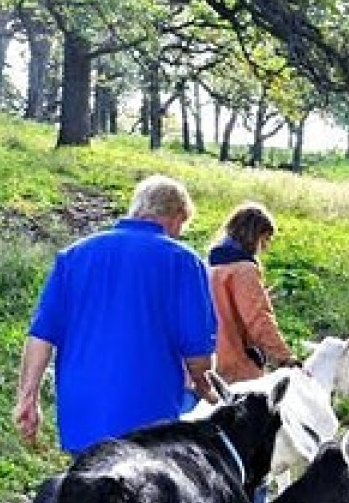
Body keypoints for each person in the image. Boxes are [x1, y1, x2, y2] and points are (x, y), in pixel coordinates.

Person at [12, 175, 218, 453]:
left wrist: (28, 397)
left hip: (82, 410)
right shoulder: (182, 261)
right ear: (175, 217)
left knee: (87, 484)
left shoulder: (74, 256)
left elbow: (41, 335)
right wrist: (209, 392)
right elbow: (197, 353)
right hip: (148, 412)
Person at [207, 202, 297, 383]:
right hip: (236, 365)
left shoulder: (210, 267)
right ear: (254, 236)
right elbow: (258, 319)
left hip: (208, 361)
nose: (265, 247)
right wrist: (285, 358)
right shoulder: (244, 270)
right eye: (266, 239)